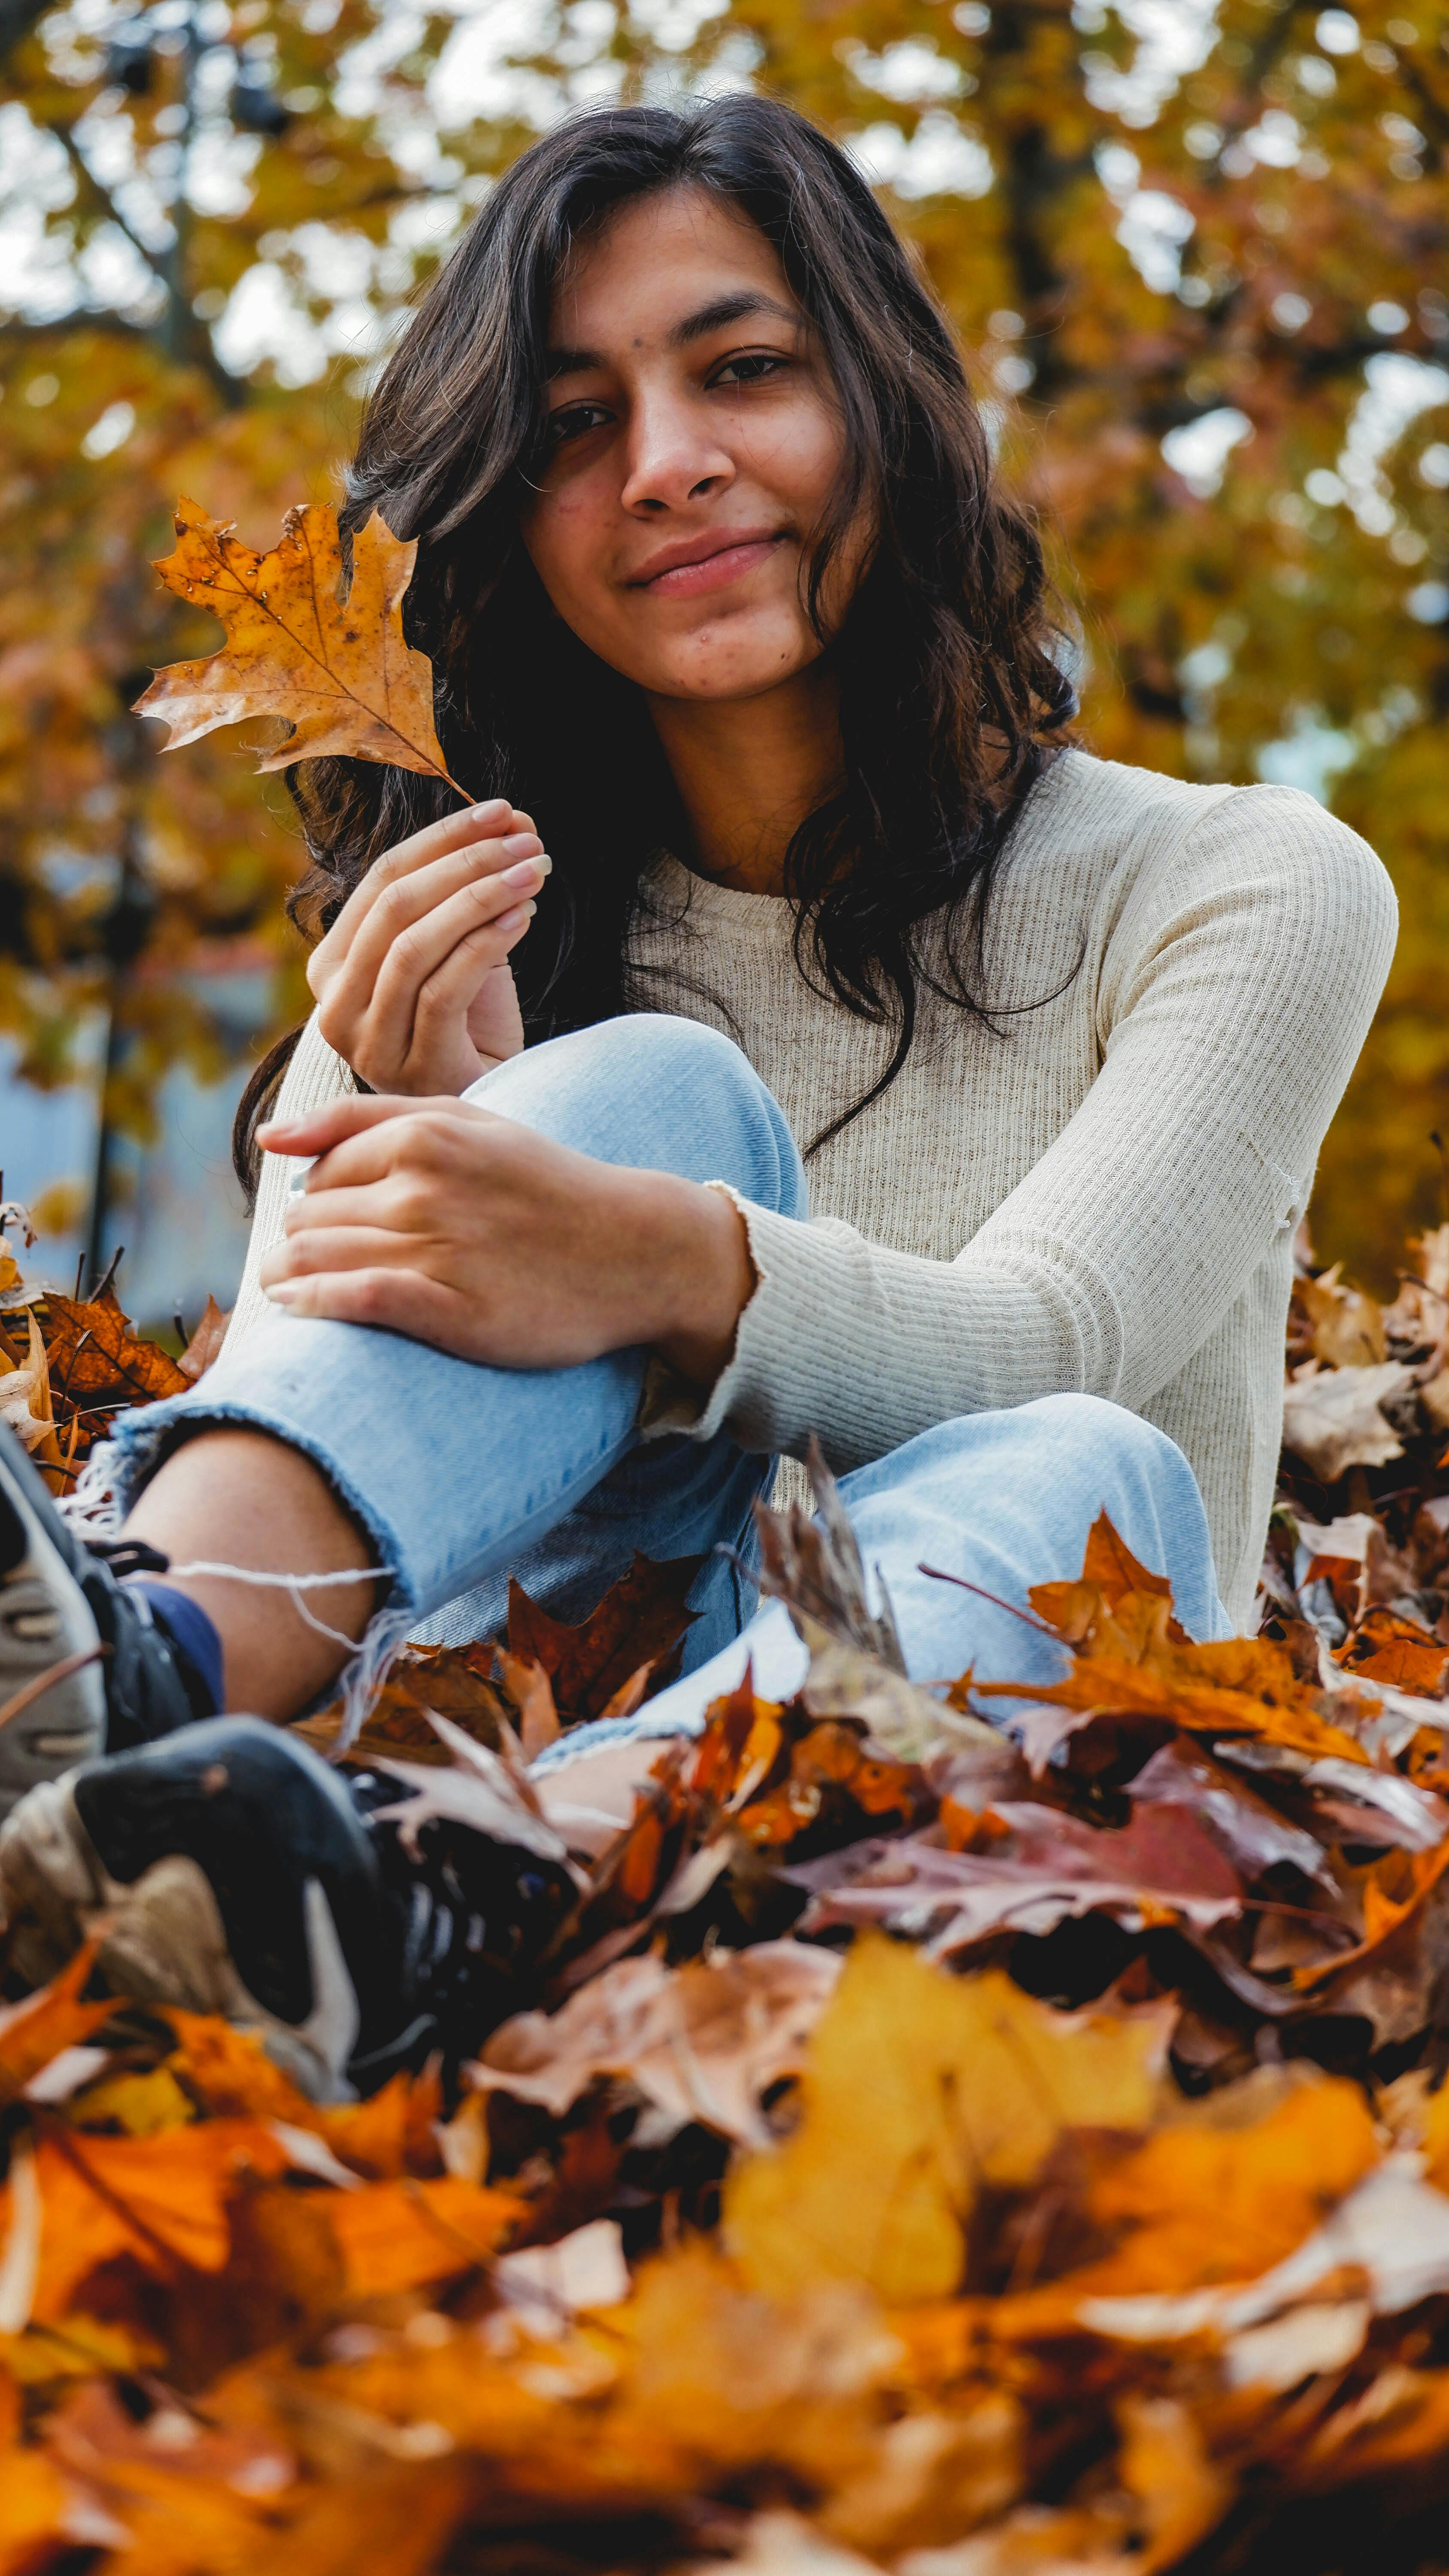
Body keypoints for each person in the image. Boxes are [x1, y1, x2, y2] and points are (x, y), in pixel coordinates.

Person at [0, 95, 1395, 2098]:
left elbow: (1047, 1338)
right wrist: (440, 1122)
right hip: (476, 1690)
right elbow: (342, 1462)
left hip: (969, 1730)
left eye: (743, 372)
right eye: (574, 425)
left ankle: (419, 1909)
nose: (667, 468)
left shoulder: (1237, 885)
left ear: (884, 414)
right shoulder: (471, 947)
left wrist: (646, 1265)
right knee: (642, 1083)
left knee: (1088, 1468)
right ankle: (121, 1673)